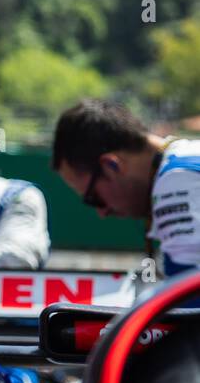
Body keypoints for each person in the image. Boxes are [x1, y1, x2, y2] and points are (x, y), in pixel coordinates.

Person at [52, 99, 200, 278]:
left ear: (111, 166)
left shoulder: (177, 180)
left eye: (93, 198)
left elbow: (190, 299)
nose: (102, 212)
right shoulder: (186, 160)